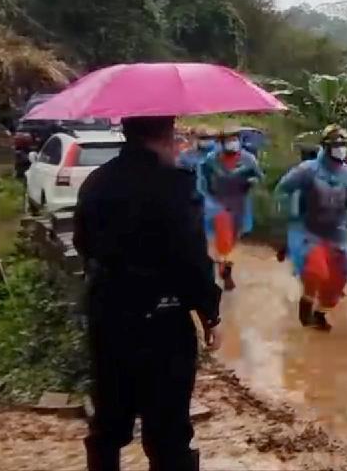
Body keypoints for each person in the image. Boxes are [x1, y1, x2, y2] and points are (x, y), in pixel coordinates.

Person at [74, 116, 222, 471]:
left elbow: (83, 243)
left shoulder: (97, 182)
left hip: (108, 316)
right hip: (163, 323)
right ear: (166, 135)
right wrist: (209, 312)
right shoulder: (174, 185)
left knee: (108, 421)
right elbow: (191, 257)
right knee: (168, 429)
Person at [274, 125, 347, 330]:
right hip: (310, 229)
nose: (340, 148)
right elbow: (284, 189)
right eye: (335, 145)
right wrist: (290, 213)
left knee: (338, 282)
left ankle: (321, 313)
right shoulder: (308, 170)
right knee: (316, 270)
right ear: (326, 147)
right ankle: (307, 301)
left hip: (337, 232)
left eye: (343, 145)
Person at [196, 126, 262, 291]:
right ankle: (224, 270)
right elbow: (201, 181)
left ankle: (224, 263)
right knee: (220, 239)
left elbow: (259, 177)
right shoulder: (211, 160)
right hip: (217, 203)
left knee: (232, 239)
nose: (232, 143)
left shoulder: (249, 160)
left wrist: (252, 182)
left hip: (239, 203)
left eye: (234, 139)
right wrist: (206, 199)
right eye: (228, 140)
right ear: (221, 142)